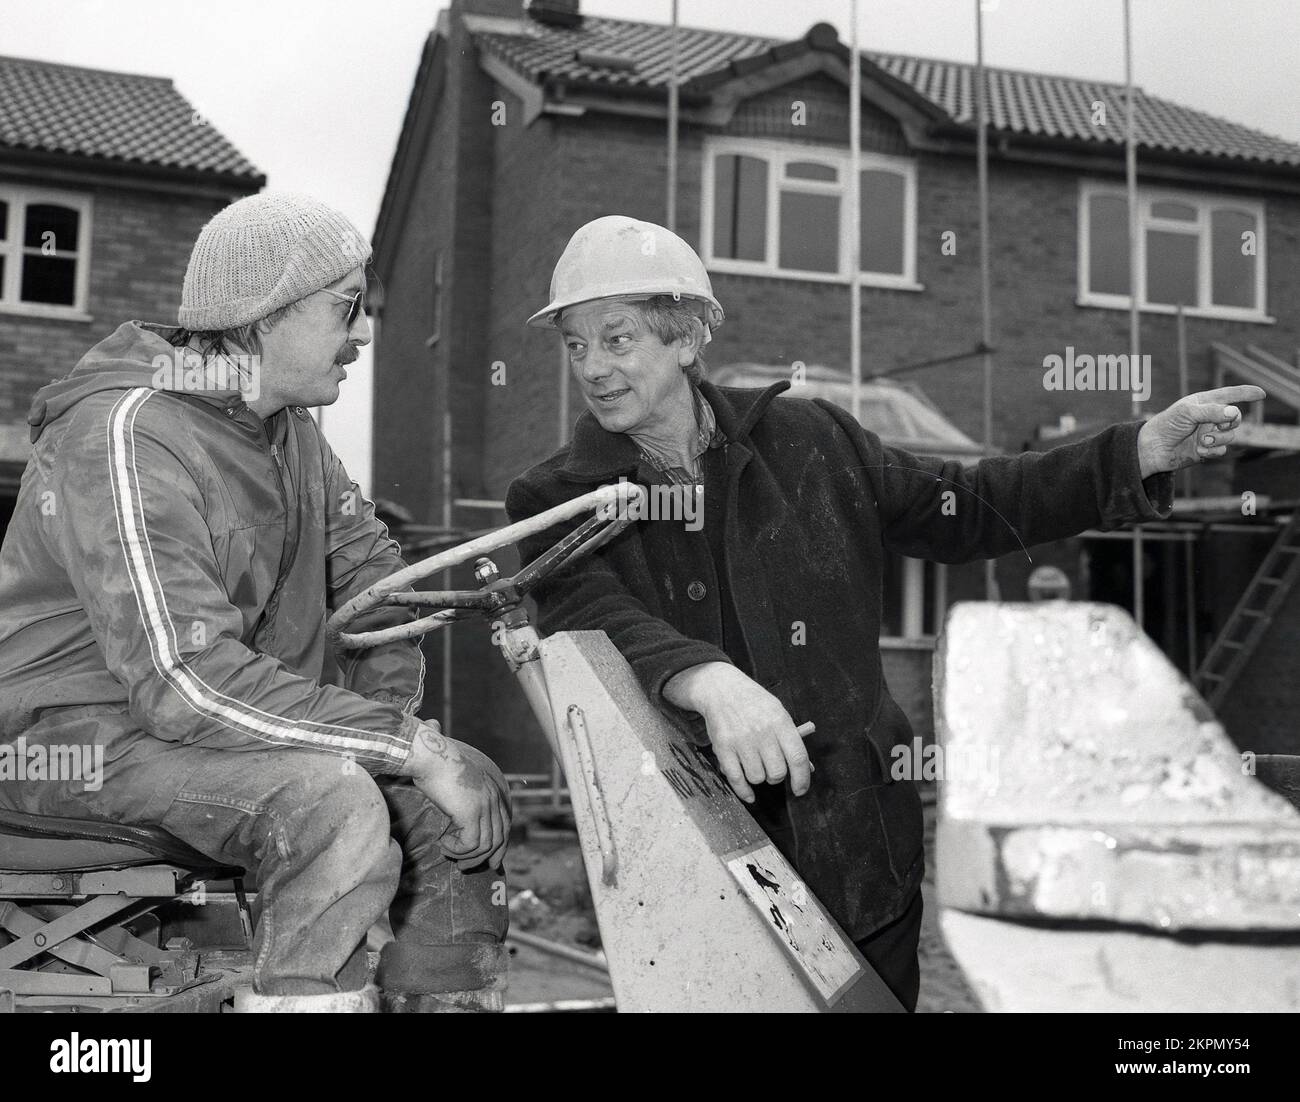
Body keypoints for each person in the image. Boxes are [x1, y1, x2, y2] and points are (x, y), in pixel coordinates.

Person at [505, 214, 1264, 1011]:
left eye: (617, 339)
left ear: (687, 337)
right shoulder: (557, 497)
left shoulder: (812, 443)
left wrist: (1138, 449)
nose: (593, 367)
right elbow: (582, 605)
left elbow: (968, 505)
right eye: (576, 344)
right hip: (697, 870)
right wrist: (704, 678)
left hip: (859, 853)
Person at [0, 192, 510, 1013]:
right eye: (348, 305)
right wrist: (398, 750)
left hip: (200, 741)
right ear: (261, 315)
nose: (367, 331)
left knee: (459, 798)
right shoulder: (126, 435)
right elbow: (183, 681)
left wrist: (392, 744)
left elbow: (376, 595)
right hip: (70, 744)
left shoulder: (294, 436)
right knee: (334, 804)